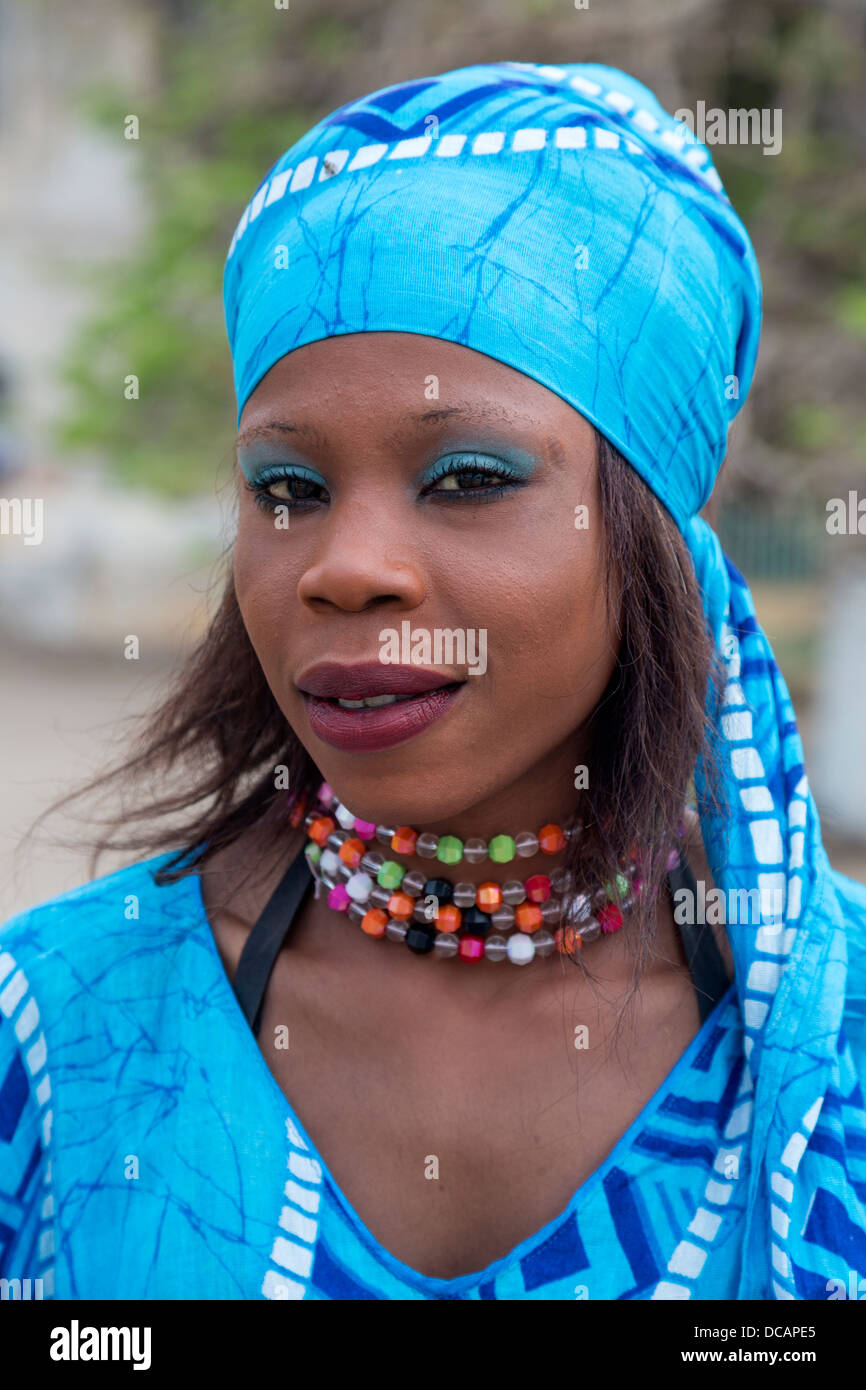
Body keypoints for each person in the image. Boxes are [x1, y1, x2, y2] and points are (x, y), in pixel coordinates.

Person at [2, 60, 865, 1303]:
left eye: (466, 477)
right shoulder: (60, 1029)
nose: (343, 570)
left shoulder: (824, 1042)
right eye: (285, 491)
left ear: (657, 520)